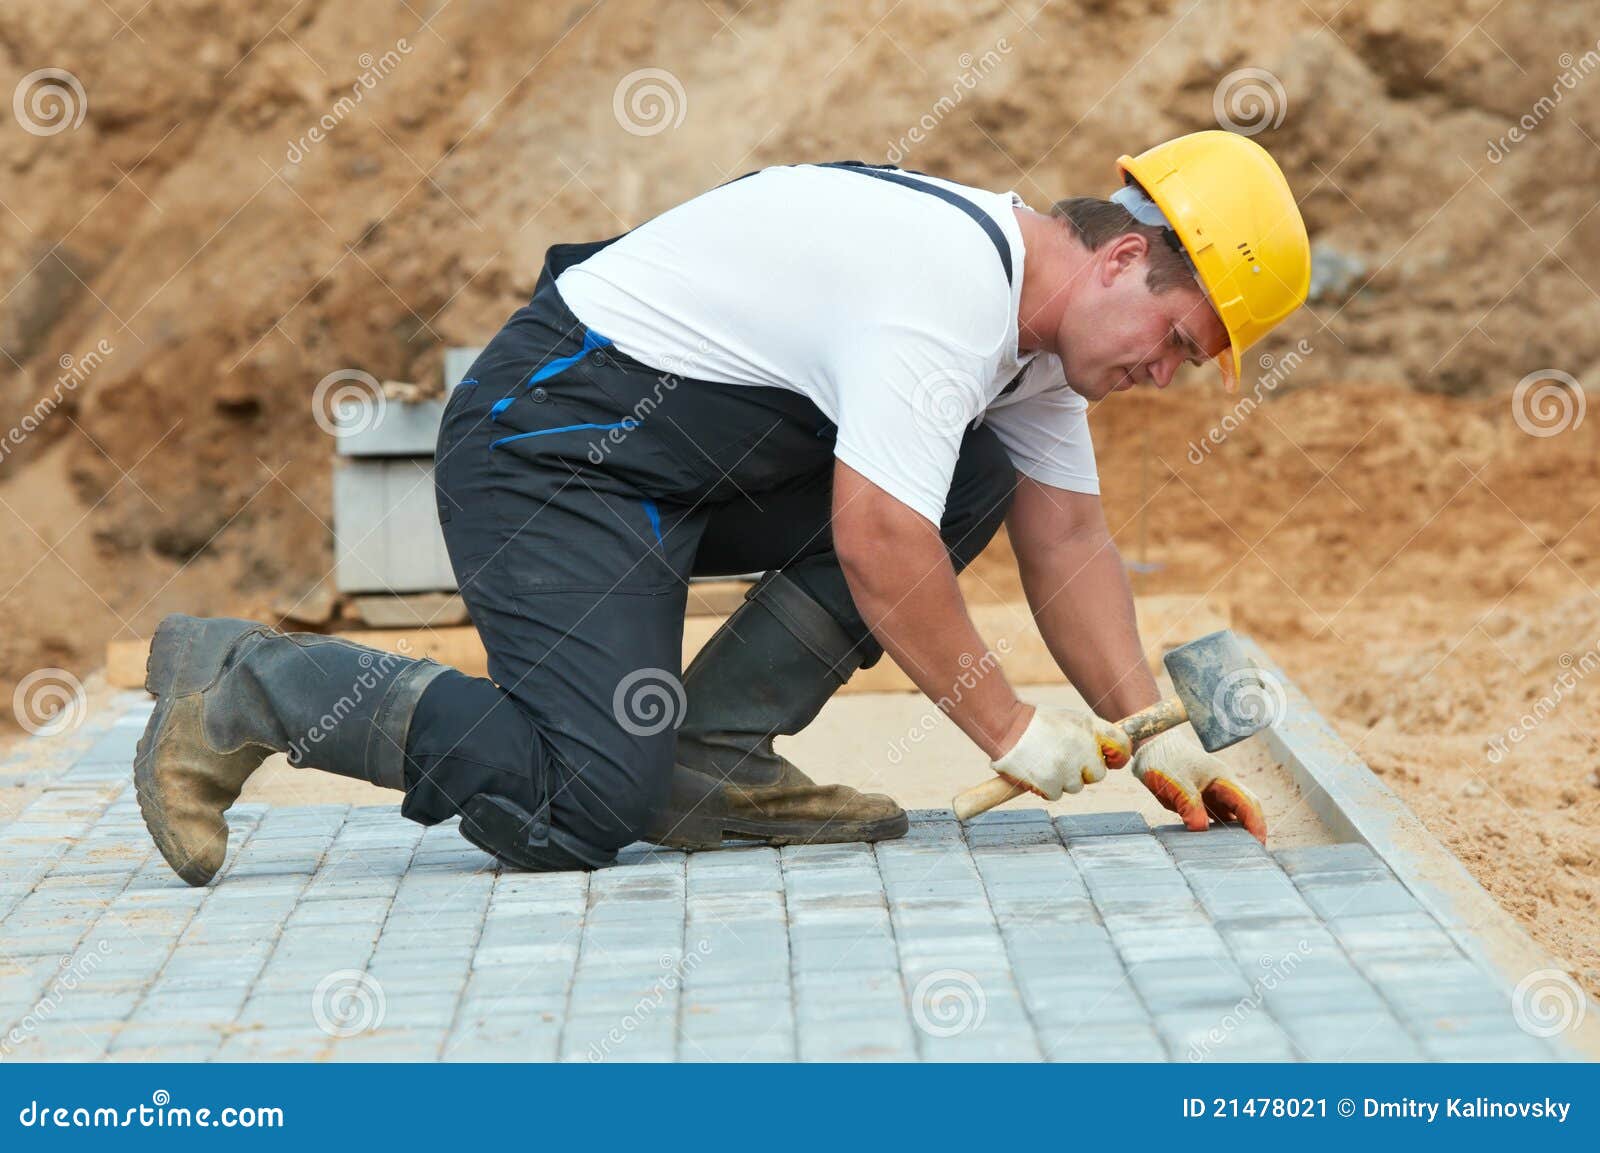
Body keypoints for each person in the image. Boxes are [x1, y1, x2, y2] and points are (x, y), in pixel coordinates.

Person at [134, 131, 1310, 885]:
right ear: (1119, 262)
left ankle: (707, 761)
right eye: (1175, 341)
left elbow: (1068, 539)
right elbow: (879, 538)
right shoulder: (946, 288)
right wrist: (1006, 729)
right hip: (552, 449)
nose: (1164, 376)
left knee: (977, 471)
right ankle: (239, 684)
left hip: (686, 469)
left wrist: (1146, 733)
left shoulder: (1036, 349)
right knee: (584, 801)